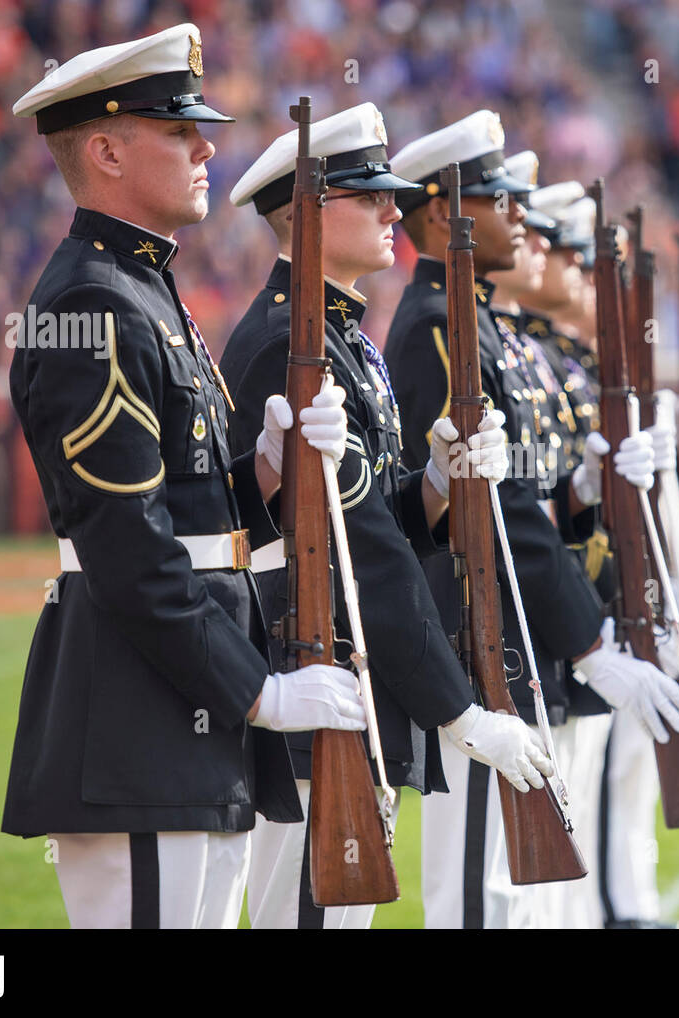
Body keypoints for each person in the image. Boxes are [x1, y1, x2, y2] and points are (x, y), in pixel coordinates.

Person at [2, 23, 364, 929]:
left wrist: (271, 475)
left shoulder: (143, 287)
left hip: (181, 719)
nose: (207, 145)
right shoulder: (92, 300)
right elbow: (127, 544)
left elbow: (193, 511)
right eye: (178, 130)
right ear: (107, 150)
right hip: (139, 720)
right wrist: (256, 688)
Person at [219, 102, 549, 929]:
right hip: (310, 684)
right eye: (369, 195)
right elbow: (361, 554)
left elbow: (380, 518)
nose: (393, 211)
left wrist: (436, 481)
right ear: (305, 213)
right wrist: (461, 709)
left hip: (351, 687)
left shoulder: (344, 339)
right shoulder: (282, 341)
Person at [384, 110, 679, 927]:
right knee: (483, 893)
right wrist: (592, 641)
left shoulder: (478, 326)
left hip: (530, 623)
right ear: (446, 215)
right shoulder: (438, 330)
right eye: (497, 198)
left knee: (533, 888)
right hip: (483, 636)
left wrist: (586, 490)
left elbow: (527, 499)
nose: (518, 216)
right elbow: (486, 514)